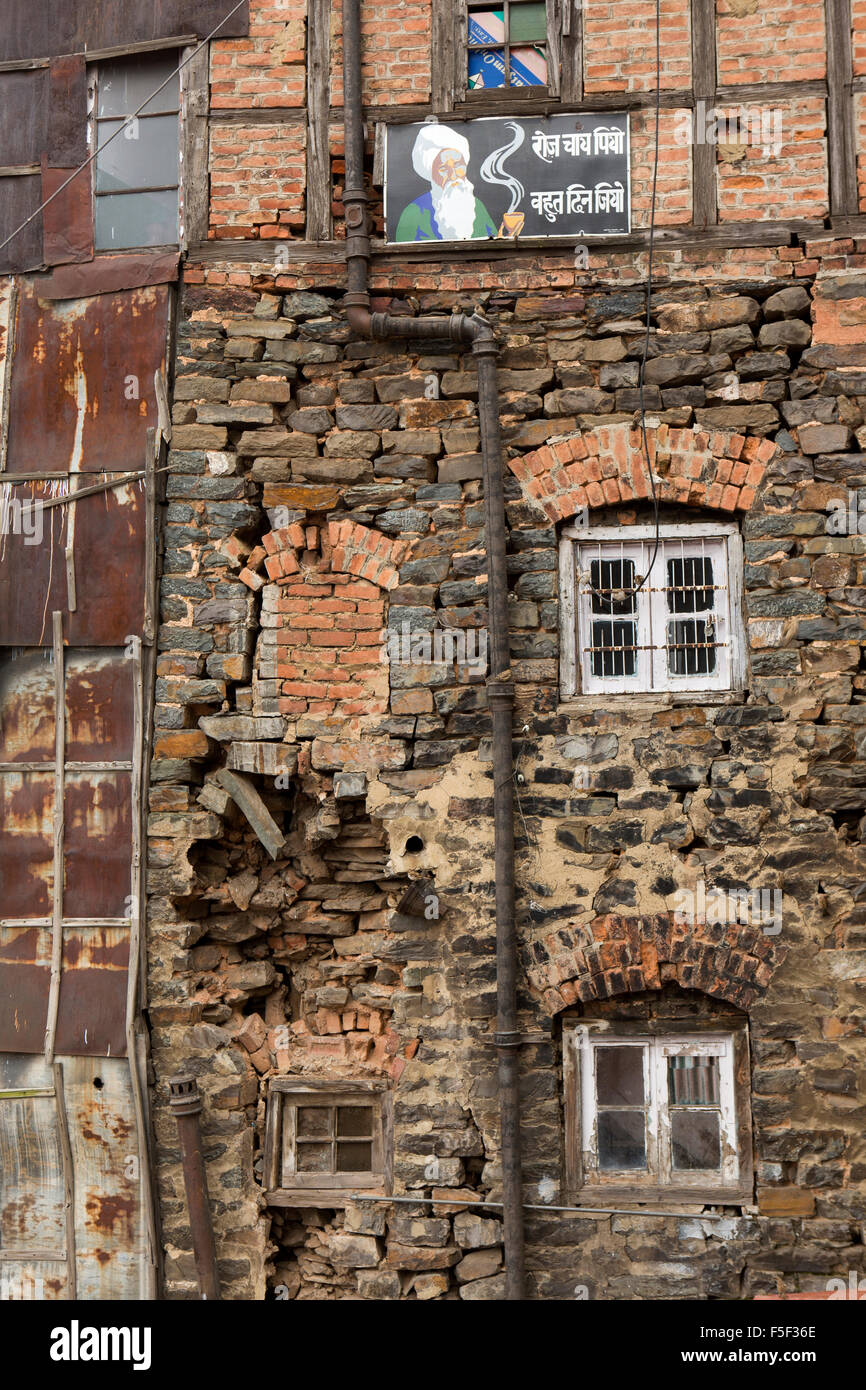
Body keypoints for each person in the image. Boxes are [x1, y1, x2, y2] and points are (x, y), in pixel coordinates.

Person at [395, 124, 499, 242]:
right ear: (431, 173)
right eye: (443, 169)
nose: (453, 175)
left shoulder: (477, 207)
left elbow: (495, 246)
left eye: (458, 165)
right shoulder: (414, 212)